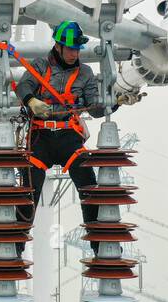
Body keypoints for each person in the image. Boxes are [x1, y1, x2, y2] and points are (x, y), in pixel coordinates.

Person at [10, 21, 139, 255]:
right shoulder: (40, 66)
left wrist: (116, 103)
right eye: (70, 48)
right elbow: (23, 86)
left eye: (76, 49)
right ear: (58, 47)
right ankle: (14, 247)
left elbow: (94, 108)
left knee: (88, 183)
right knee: (29, 191)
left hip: (68, 137)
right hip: (40, 137)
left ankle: (99, 244)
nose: (74, 53)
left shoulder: (85, 73)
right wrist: (31, 100)